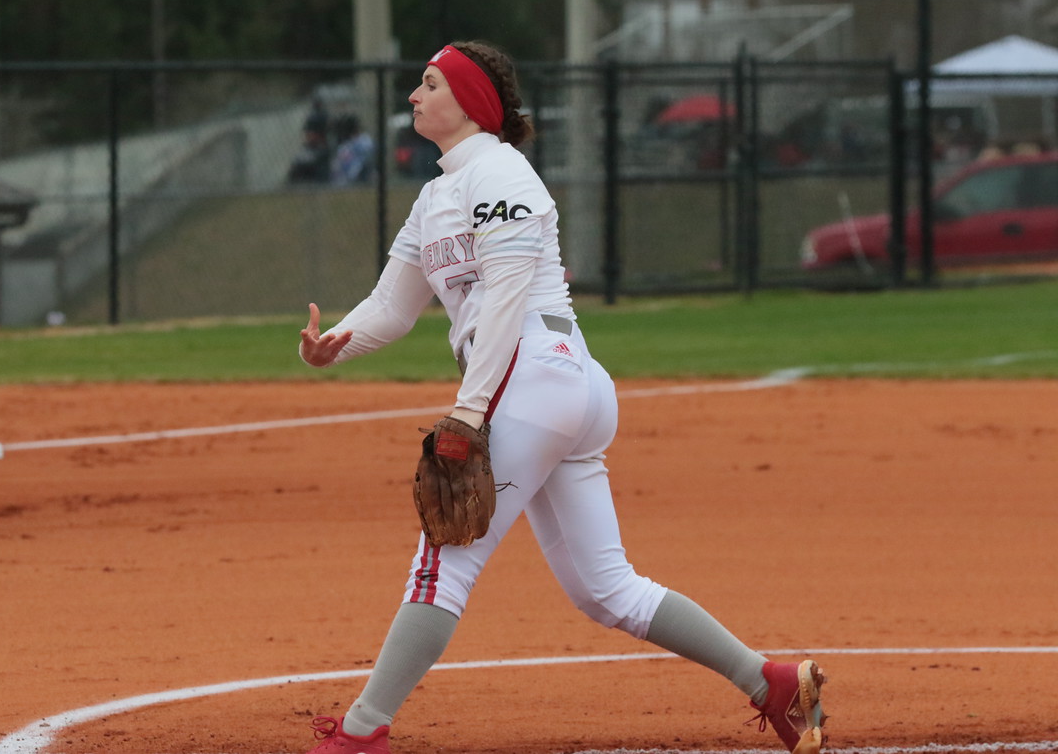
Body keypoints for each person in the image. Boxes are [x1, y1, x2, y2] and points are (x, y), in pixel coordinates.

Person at [296, 41, 827, 754]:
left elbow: (511, 293)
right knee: (607, 588)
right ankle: (771, 681)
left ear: (470, 102)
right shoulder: (435, 196)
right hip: (558, 387)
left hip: (532, 373)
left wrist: (469, 407)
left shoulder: (501, 169)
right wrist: (338, 340)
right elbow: (392, 305)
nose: (415, 96)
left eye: (429, 84)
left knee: (442, 562)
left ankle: (361, 731)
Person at [330, 113, 375, 186]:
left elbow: (367, 160)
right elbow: (337, 166)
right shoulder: (344, 146)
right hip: (346, 181)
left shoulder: (365, 140)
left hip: (362, 178)